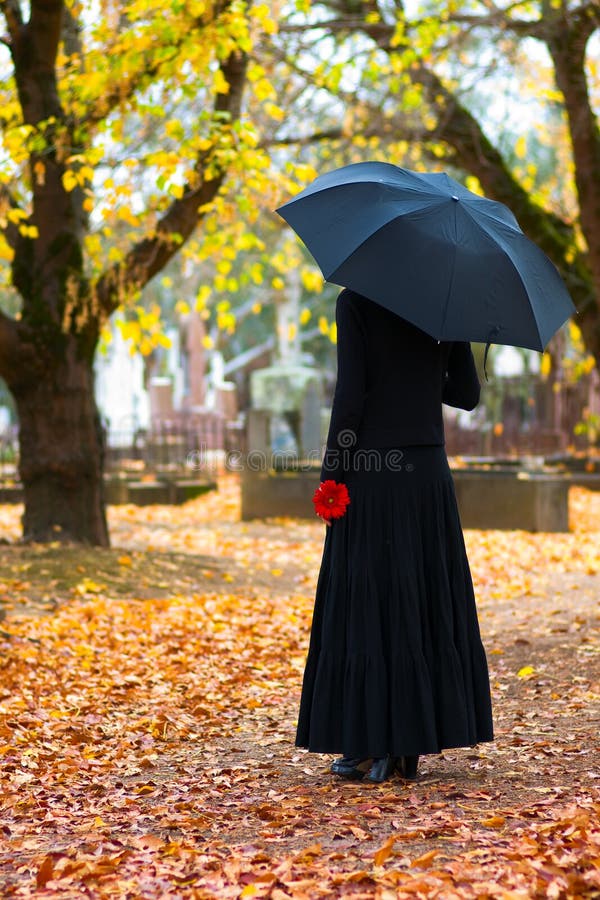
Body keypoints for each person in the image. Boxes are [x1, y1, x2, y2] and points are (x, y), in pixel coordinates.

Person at [296, 289, 494, 783]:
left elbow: (350, 397)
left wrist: (332, 473)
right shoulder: (445, 301)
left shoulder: (356, 301)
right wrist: (421, 371)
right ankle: (406, 748)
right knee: (417, 599)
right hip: (426, 475)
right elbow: (466, 394)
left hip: (374, 474)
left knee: (370, 602)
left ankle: (370, 744)